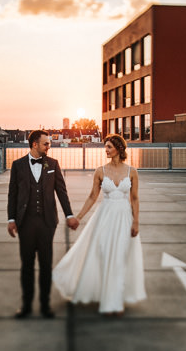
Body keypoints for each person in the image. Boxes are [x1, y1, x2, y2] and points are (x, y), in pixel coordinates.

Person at [53, 134, 146, 316]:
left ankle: (115, 302)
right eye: (106, 147)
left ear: (119, 148)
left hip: (124, 219)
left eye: (109, 147)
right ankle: (106, 296)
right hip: (104, 218)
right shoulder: (100, 171)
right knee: (104, 256)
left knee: (119, 259)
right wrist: (78, 217)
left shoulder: (132, 171)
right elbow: (92, 197)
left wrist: (136, 221)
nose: (106, 150)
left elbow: (134, 198)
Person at [7, 130, 79, 319]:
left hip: (47, 222)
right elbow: (12, 194)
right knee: (27, 265)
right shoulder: (18, 165)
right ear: (34, 145)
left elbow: (61, 192)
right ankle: (26, 306)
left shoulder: (52, 164)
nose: (49, 146)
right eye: (46, 143)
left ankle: (45, 305)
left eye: (49, 143)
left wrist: (69, 214)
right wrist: (11, 219)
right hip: (25, 222)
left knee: (46, 264)